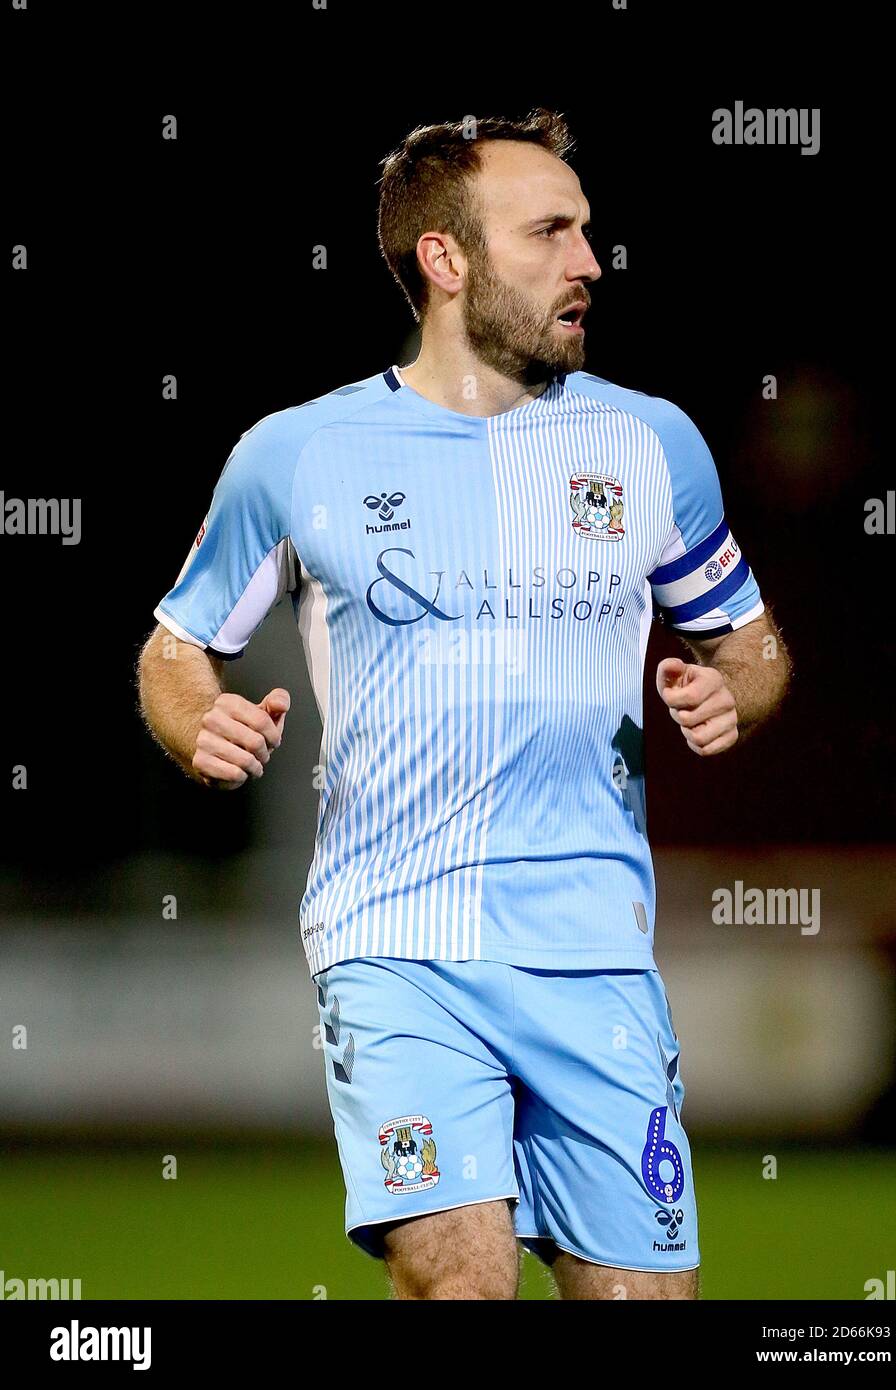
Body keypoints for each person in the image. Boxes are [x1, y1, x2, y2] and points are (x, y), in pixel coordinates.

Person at [137, 108, 791, 1300]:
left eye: (586, 231)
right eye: (549, 232)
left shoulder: (651, 444)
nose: (588, 261)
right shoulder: (296, 453)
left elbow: (747, 639)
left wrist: (730, 691)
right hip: (397, 950)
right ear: (446, 260)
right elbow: (176, 647)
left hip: (595, 954)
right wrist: (197, 720)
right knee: (462, 1285)